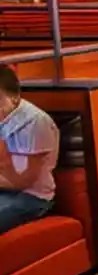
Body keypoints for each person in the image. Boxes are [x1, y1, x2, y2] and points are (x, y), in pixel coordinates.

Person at [0, 65, 59, 233]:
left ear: (15, 98)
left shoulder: (36, 123)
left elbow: (23, 181)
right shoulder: (4, 116)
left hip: (32, 197)